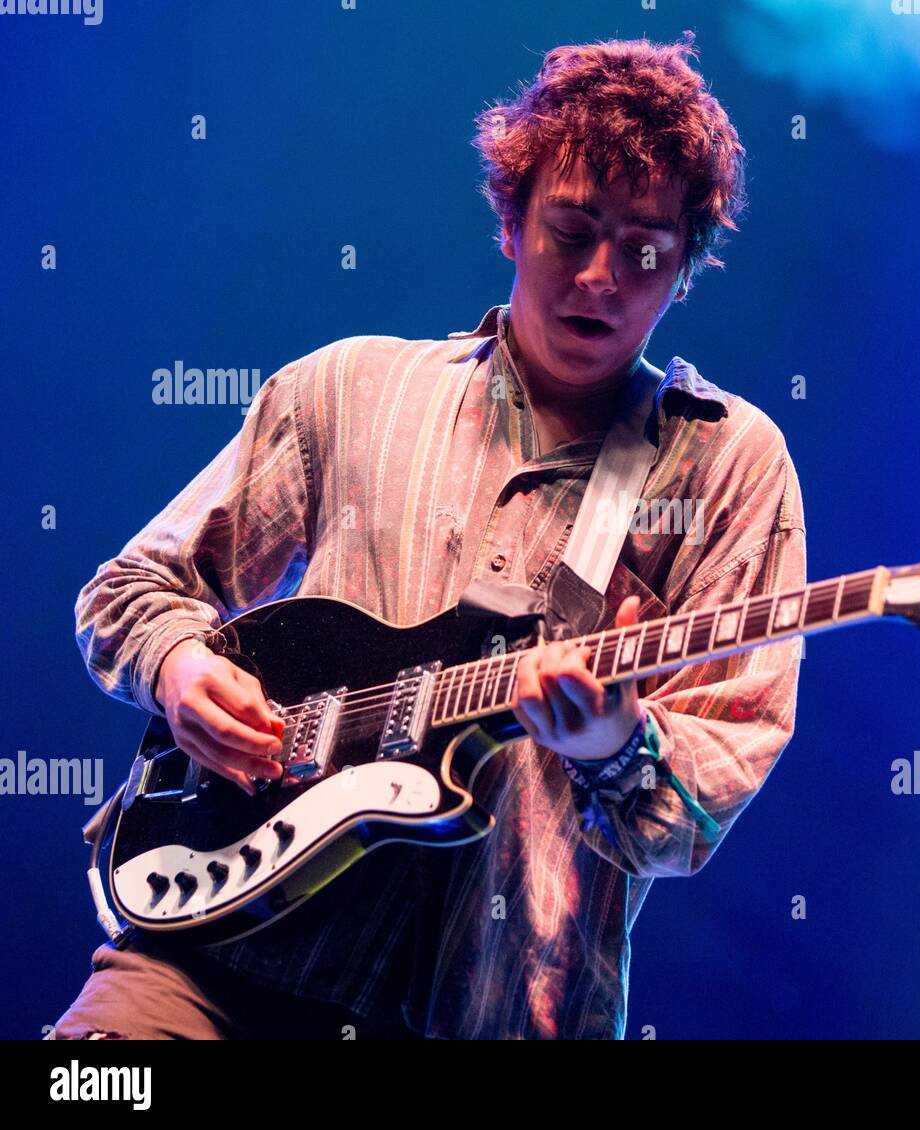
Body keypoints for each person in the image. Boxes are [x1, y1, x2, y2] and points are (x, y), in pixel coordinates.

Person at [51, 31, 806, 1040]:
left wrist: (614, 745)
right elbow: (130, 588)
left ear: (683, 269)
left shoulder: (726, 464)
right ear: (511, 222)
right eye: (570, 229)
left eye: (643, 250)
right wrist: (180, 667)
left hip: (487, 1008)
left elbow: (703, 797)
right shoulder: (347, 387)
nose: (600, 277)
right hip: (213, 959)